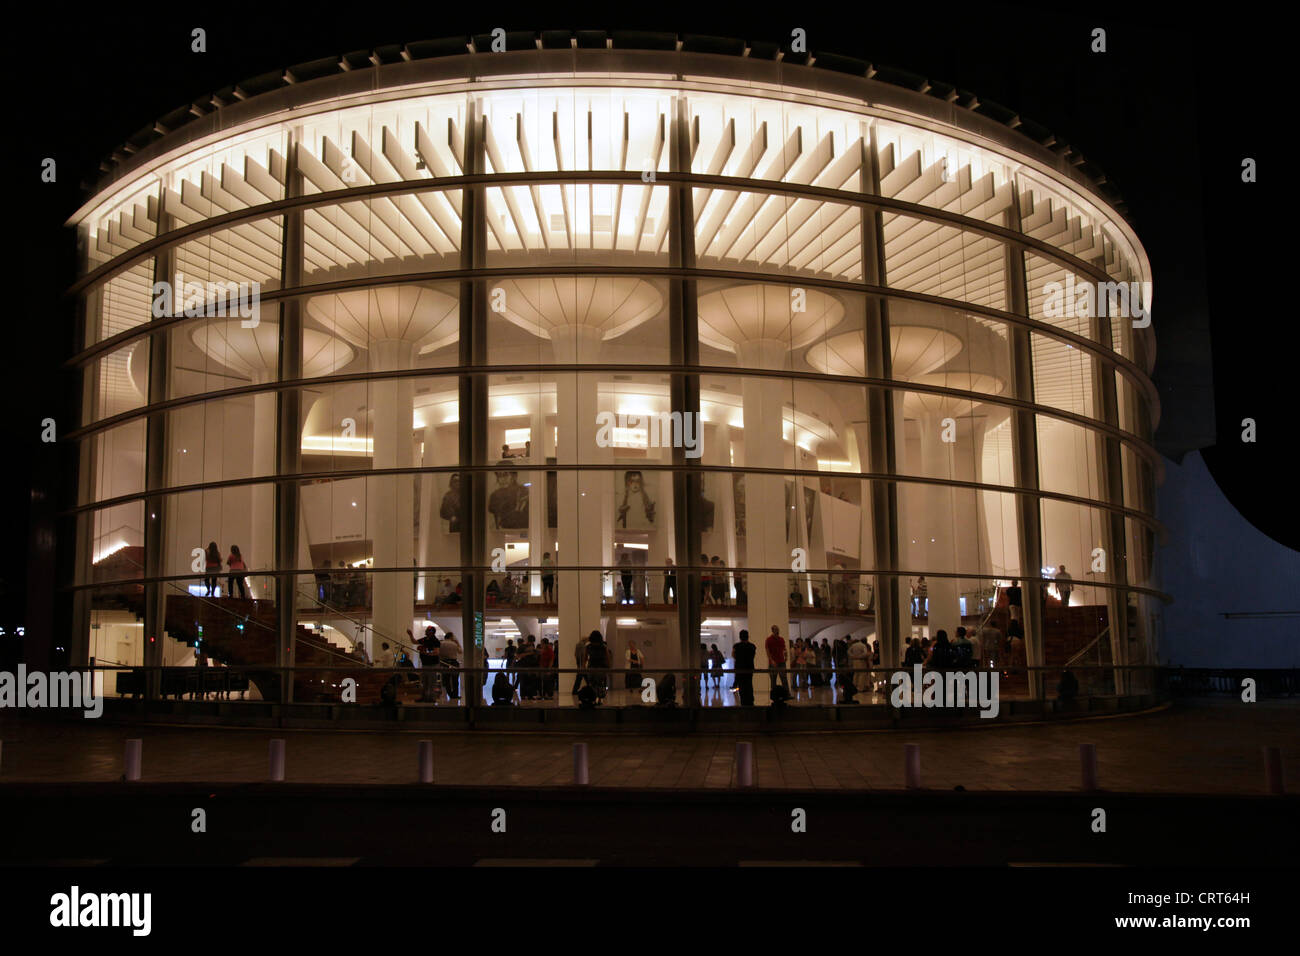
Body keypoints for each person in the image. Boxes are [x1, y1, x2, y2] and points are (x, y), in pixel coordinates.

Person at [732, 629, 756, 706]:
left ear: (740, 637)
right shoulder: (752, 646)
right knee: (749, 684)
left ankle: (743, 702)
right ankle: (750, 701)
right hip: (749, 668)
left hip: (740, 669)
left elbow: (733, 655)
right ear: (748, 636)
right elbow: (753, 656)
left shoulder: (736, 646)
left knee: (742, 686)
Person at [584, 631, 609, 703]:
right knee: (600, 684)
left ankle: (593, 698)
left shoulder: (588, 647)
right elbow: (607, 658)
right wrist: (609, 667)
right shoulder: (603, 647)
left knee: (592, 684)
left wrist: (583, 667)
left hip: (591, 667)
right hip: (601, 667)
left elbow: (585, 658)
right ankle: (600, 698)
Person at [418, 625, 440, 701]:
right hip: (424, 664)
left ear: (431, 632)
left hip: (432, 664)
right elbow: (414, 641)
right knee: (424, 682)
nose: (426, 631)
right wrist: (410, 634)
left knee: (431, 682)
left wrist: (426, 653)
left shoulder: (435, 641)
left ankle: (431, 697)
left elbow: (436, 652)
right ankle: (424, 697)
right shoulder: (424, 639)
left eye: (427, 630)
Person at [764, 625, 788, 690]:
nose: (777, 631)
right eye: (776, 629)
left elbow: (784, 649)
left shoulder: (781, 639)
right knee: (773, 680)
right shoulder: (768, 640)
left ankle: (787, 694)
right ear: (772, 631)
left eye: (778, 629)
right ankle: (774, 695)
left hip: (781, 661)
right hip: (773, 663)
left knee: (784, 679)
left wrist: (786, 656)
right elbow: (767, 651)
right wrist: (771, 660)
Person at [439, 631, 462, 699]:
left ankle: (450, 694)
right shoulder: (454, 644)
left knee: (446, 680)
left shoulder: (441, 643)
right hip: (454, 662)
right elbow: (460, 651)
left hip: (444, 662)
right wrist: (457, 643)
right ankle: (455, 695)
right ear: (451, 637)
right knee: (455, 680)